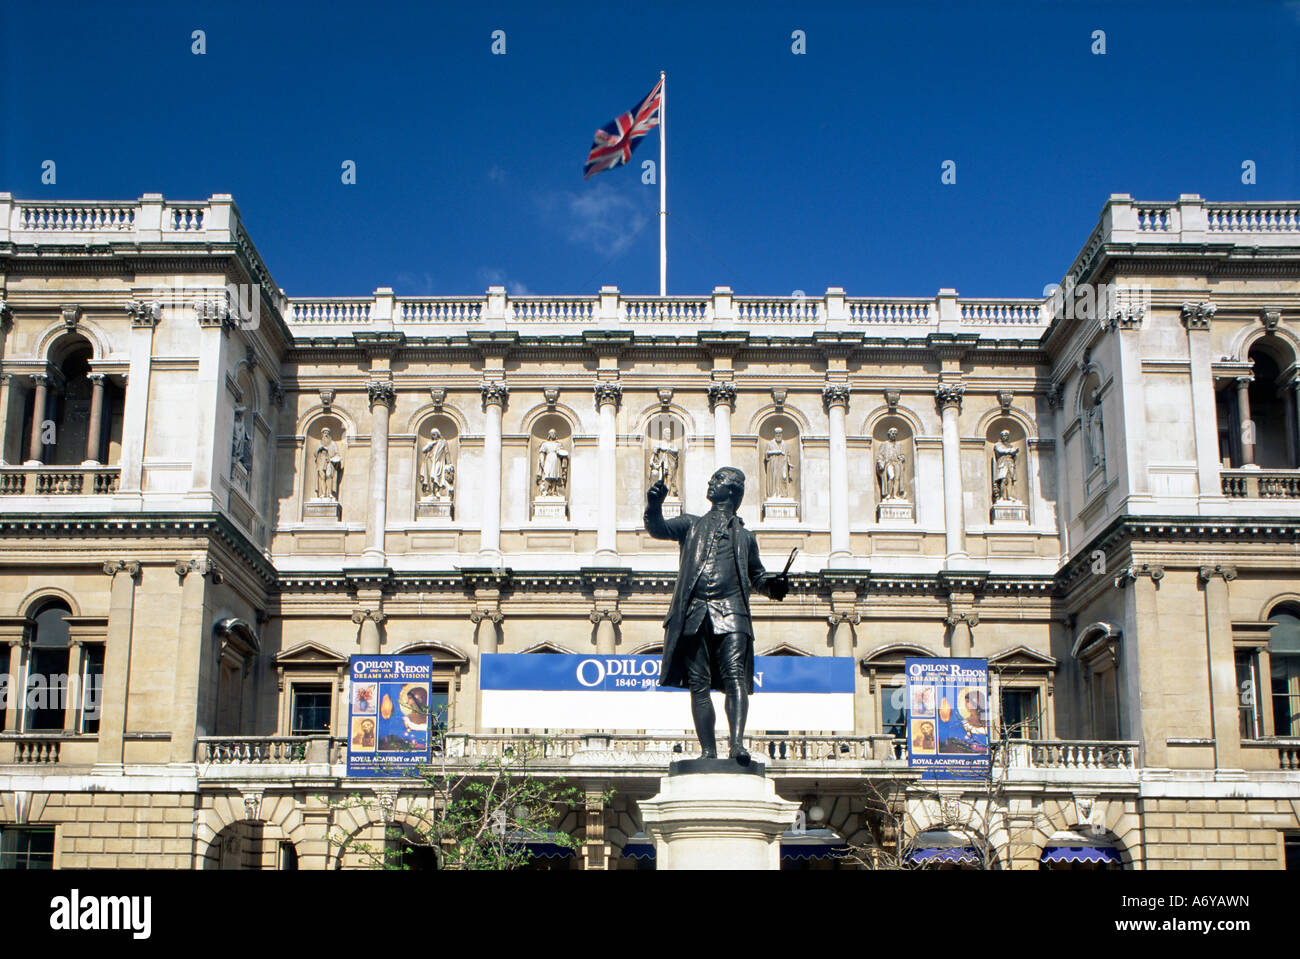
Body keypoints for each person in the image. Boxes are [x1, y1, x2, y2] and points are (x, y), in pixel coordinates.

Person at [645, 467, 790, 762]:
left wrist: (773, 587)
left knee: (735, 675)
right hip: (695, 611)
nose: (710, 483)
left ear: (733, 490)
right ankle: (708, 751)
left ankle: (737, 744)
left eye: (718, 480)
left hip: (732, 611)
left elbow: (757, 576)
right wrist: (654, 505)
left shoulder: (746, 537)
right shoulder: (690, 525)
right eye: (712, 479)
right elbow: (657, 528)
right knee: (698, 684)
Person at [535, 429, 569, 496]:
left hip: (556, 459)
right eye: (551, 433)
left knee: (555, 475)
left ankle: (554, 490)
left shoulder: (558, 444)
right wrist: (542, 462)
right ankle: (546, 490)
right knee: (547, 474)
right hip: (548, 459)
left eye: (554, 433)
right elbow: (542, 453)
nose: (553, 434)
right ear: (549, 434)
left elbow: (563, 453)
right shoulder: (545, 444)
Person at [991, 430, 1019, 502]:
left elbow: (1014, 456)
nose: (1005, 437)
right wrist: (1011, 451)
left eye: (1006, 435)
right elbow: (1001, 450)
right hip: (1002, 463)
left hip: (1010, 463)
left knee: (1009, 480)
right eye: (1003, 435)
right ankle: (1002, 497)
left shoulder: (1011, 445)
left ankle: (1010, 496)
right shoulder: (998, 444)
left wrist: (1014, 453)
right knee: (1003, 480)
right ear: (1001, 436)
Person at [764, 428, 792, 499]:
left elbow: (788, 454)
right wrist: (776, 452)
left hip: (783, 465)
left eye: (780, 434)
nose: (778, 435)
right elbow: (766, 454)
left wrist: (789, 463)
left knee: (783, 478)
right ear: (775, 434)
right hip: (773, 465)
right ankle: (774, 494)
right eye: (777, 434)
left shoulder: (785, 444)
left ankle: (783, 494)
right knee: (774, 478)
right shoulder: (770, 443)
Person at [315, 428, 342, 500]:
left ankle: (330, 493)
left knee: (329, 476)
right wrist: (320, 449)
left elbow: (337, 453)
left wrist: (334, 458)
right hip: (321, 462)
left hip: (329, 461)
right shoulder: (320, 443)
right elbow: (315, 453)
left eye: (327, 433)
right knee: (322, 477)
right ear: (322, 434)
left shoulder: (333, 443)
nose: (326, 434)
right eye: (324, 433)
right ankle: (323, 493)